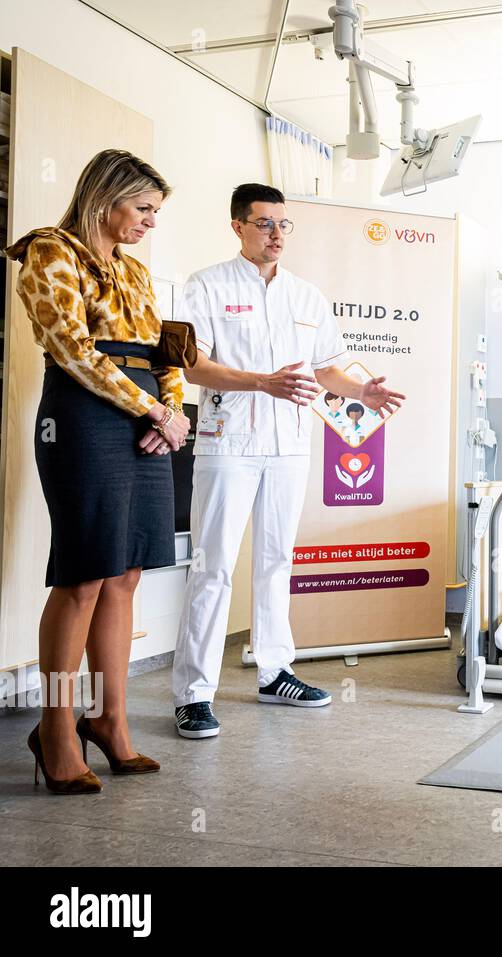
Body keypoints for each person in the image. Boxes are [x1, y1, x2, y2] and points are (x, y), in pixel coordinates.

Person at [171, 184, 405, 738]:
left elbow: (328, 369)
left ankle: (276, 672)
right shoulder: (205, 286)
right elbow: (193, 368)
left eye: (282, 224)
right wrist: (261, 383)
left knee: (277, 559)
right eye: (264, 223)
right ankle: (193, 693)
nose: (276, 234)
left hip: (290, 444)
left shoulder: (306, 296)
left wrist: (361, 392)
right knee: (214, 566)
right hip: (228, 442)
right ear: (238, 227)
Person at [4, 149, 189, 792]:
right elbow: (72, 350)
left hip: (145, 419)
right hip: (82, 417)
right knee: (83, 577)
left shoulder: (135, 271)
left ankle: (109, 721)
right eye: (143, 208)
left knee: (126, 575)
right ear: (103, 198)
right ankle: (55, 730)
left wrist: (170, 410)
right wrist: (152, 410)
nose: (150, 222)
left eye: (156, 212)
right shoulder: (49, 251)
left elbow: (166, 350)